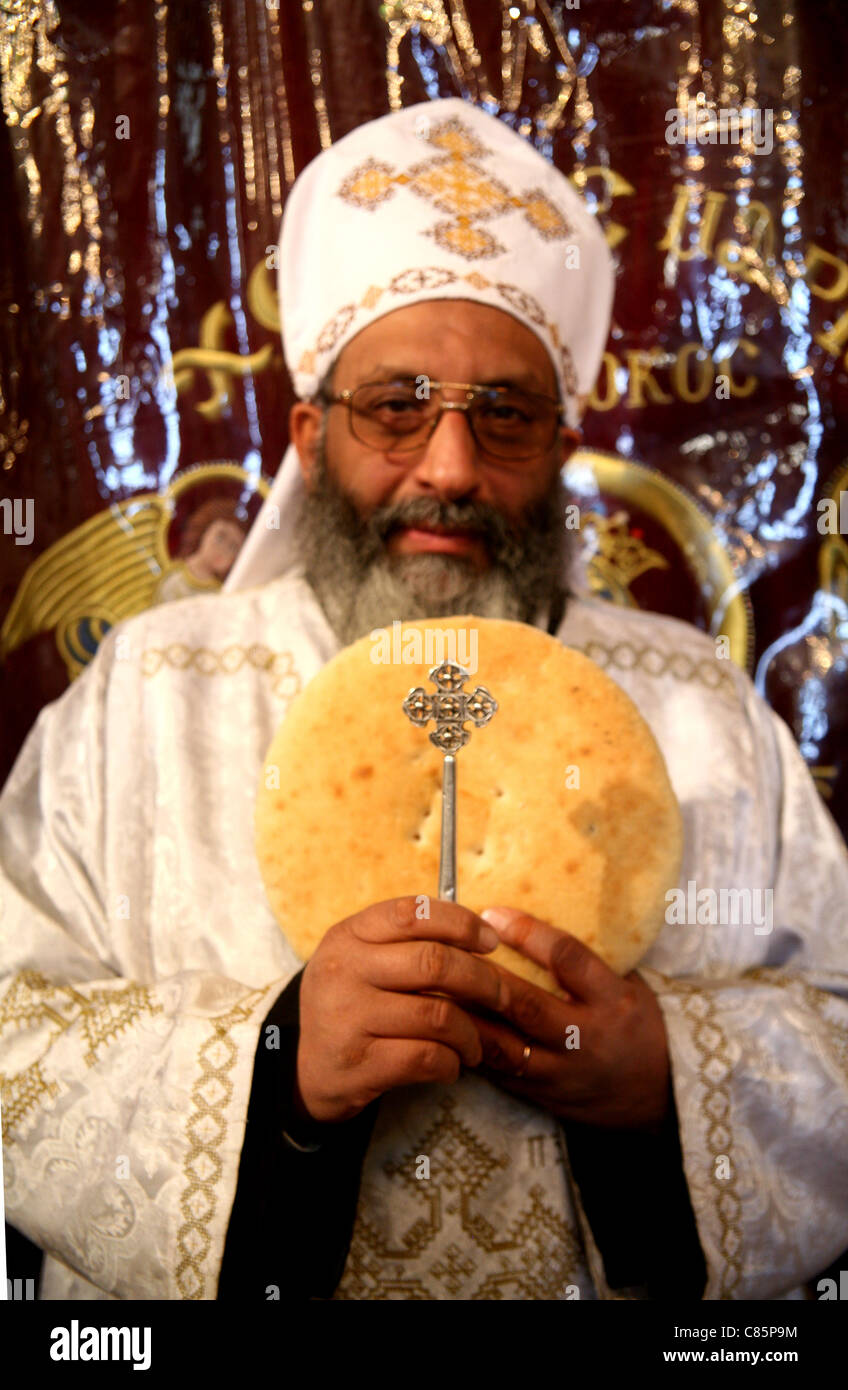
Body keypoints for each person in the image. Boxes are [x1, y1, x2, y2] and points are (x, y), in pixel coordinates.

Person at [1, 98, 846, 1303]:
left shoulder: (695, 702)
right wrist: (278, 1064)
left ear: (556, 445)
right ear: (310, 431)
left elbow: (835, 1008)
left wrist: (669, 1073)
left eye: (502, 414)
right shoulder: (148, 696)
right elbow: (14, 1026)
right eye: (396, 405)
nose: (448, 469)